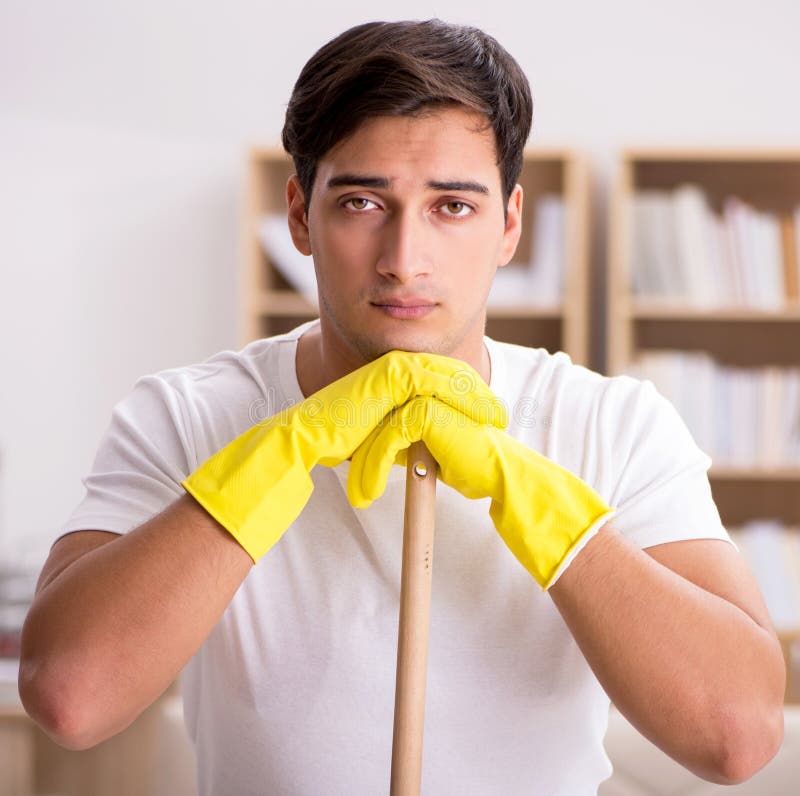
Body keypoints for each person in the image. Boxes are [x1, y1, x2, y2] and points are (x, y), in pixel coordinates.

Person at [19, 19, 784, 795]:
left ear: (510, 223)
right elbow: (69, 698)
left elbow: (738, 736)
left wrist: (533, 495)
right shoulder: (185, 415)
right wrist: (281, 452)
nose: (403, 260)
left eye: (452, 206)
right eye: (360, 201)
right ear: (298, 215)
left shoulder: (611, 426)